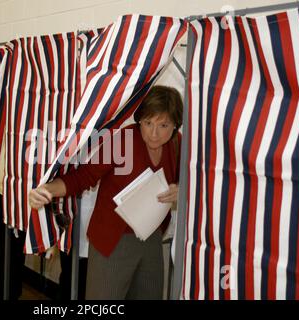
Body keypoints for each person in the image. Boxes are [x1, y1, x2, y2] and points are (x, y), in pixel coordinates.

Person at [29, 85, 183, 300]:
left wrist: (182, 191)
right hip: (113, 239)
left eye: (163, 125)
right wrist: (47, 189)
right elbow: (84, 177)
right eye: (148, 123)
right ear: (139, 120)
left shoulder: (176, 144)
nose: (154, 133)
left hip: (151, 237)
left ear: (176, 125)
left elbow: (197, 184)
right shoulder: (124, 140)